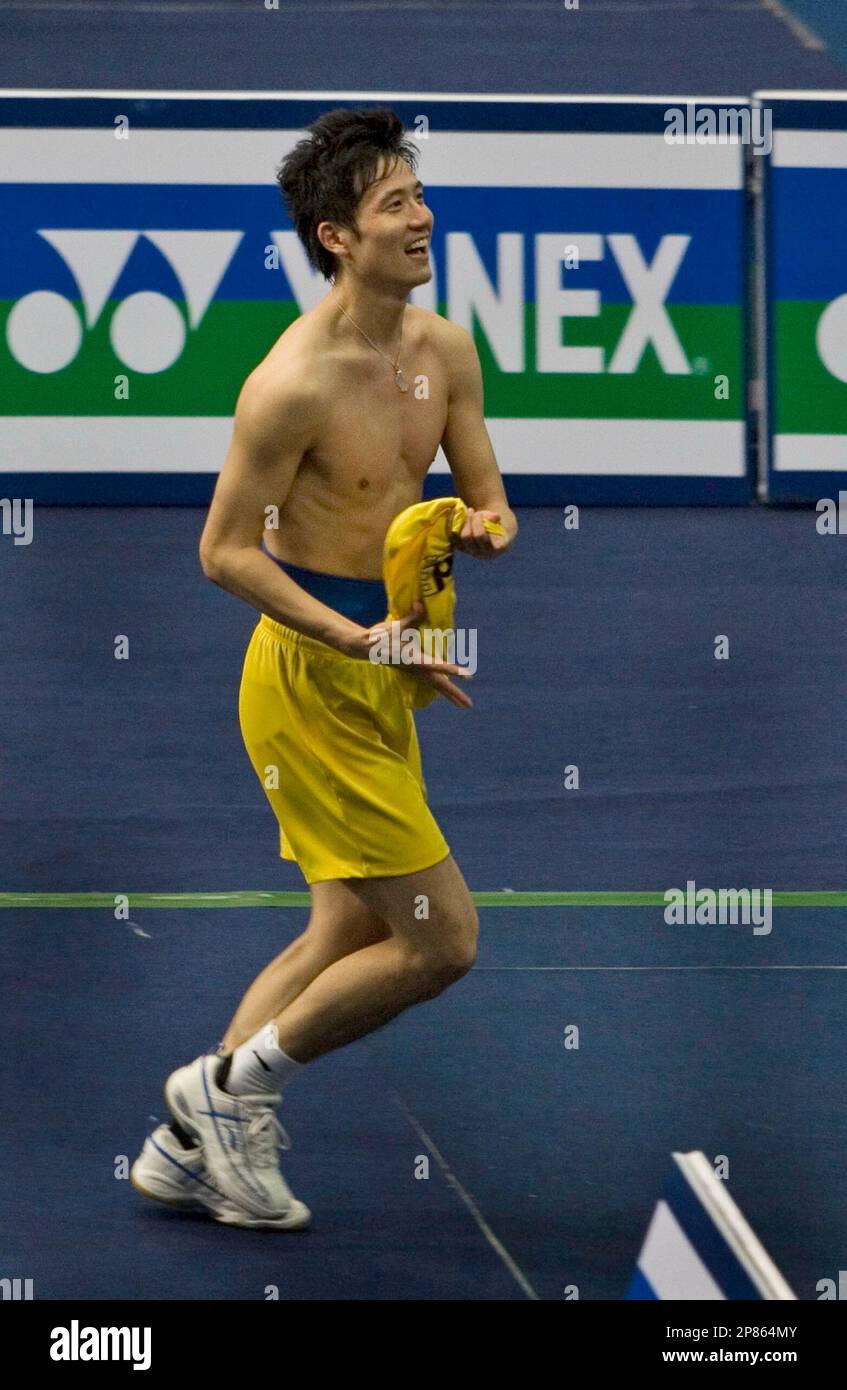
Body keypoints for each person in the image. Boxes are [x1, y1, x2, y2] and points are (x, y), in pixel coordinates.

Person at [130, 106, 517, 1230]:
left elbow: (488, 498)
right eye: (394, 202)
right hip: (309, 677)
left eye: (418, 194)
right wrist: (348, 637)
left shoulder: (443, 348)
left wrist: (484, 530)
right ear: (334, 234)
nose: (422, 216)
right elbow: (222, 552)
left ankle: (186, 1146)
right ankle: (225, 1094)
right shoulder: (289, 384)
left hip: (390, 667)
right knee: (441, 938)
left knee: (348, 926)